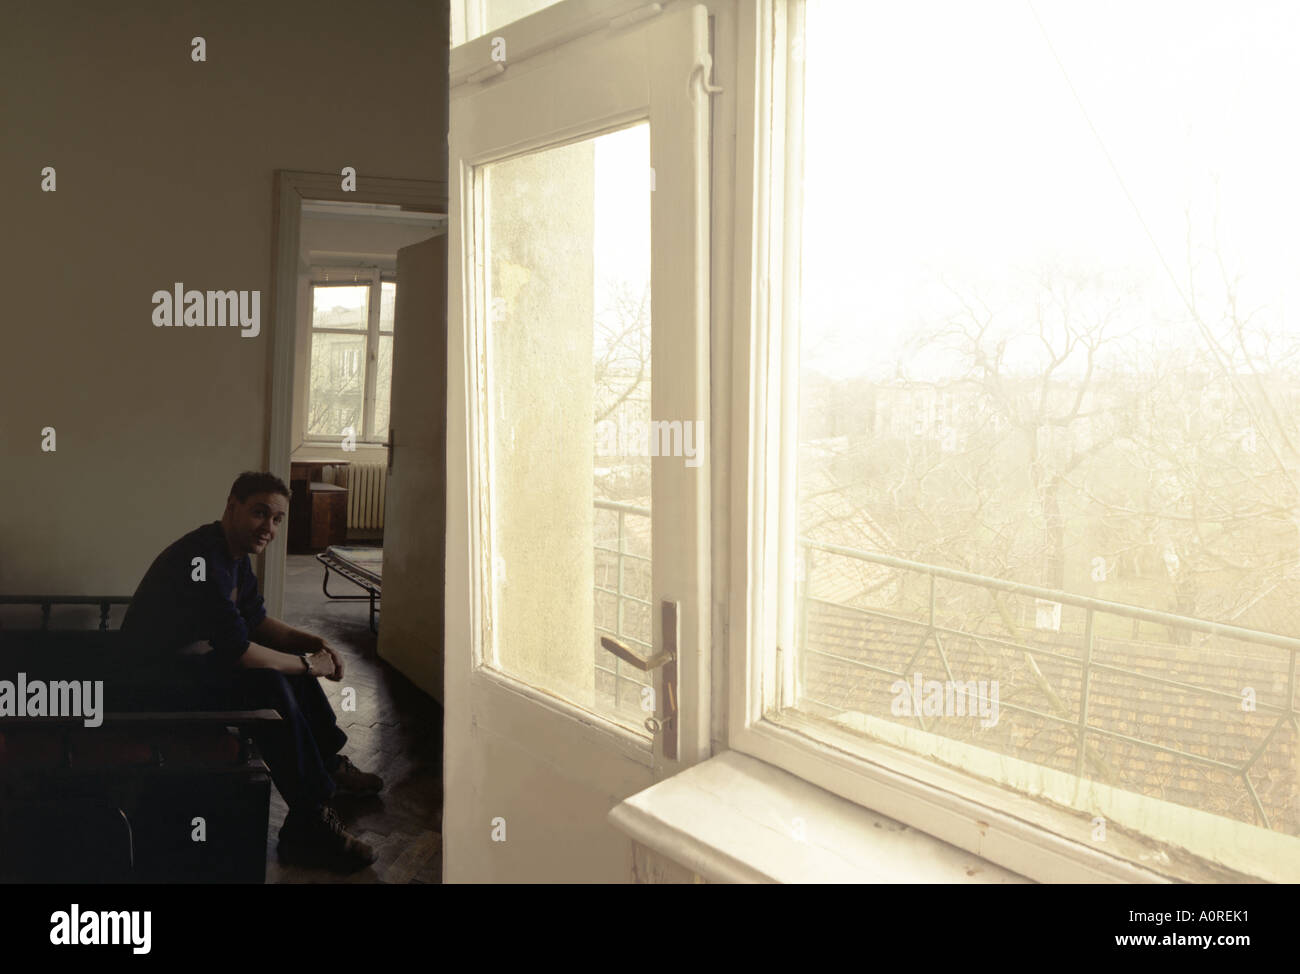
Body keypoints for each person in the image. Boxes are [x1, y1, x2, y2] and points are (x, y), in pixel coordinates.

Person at [120, 470, 382, 873]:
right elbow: (239, 651)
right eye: (260, 513)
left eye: (277, 519)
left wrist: (311, 643)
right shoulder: (202, 560)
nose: (269, 527)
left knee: (285, 667)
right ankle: (309, 819)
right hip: (152, 684)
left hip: (186, 666)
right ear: (232, 506)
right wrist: (307, 666)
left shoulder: (234, 557)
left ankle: (326, 762)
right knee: (268, 679)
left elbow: (256, 622)